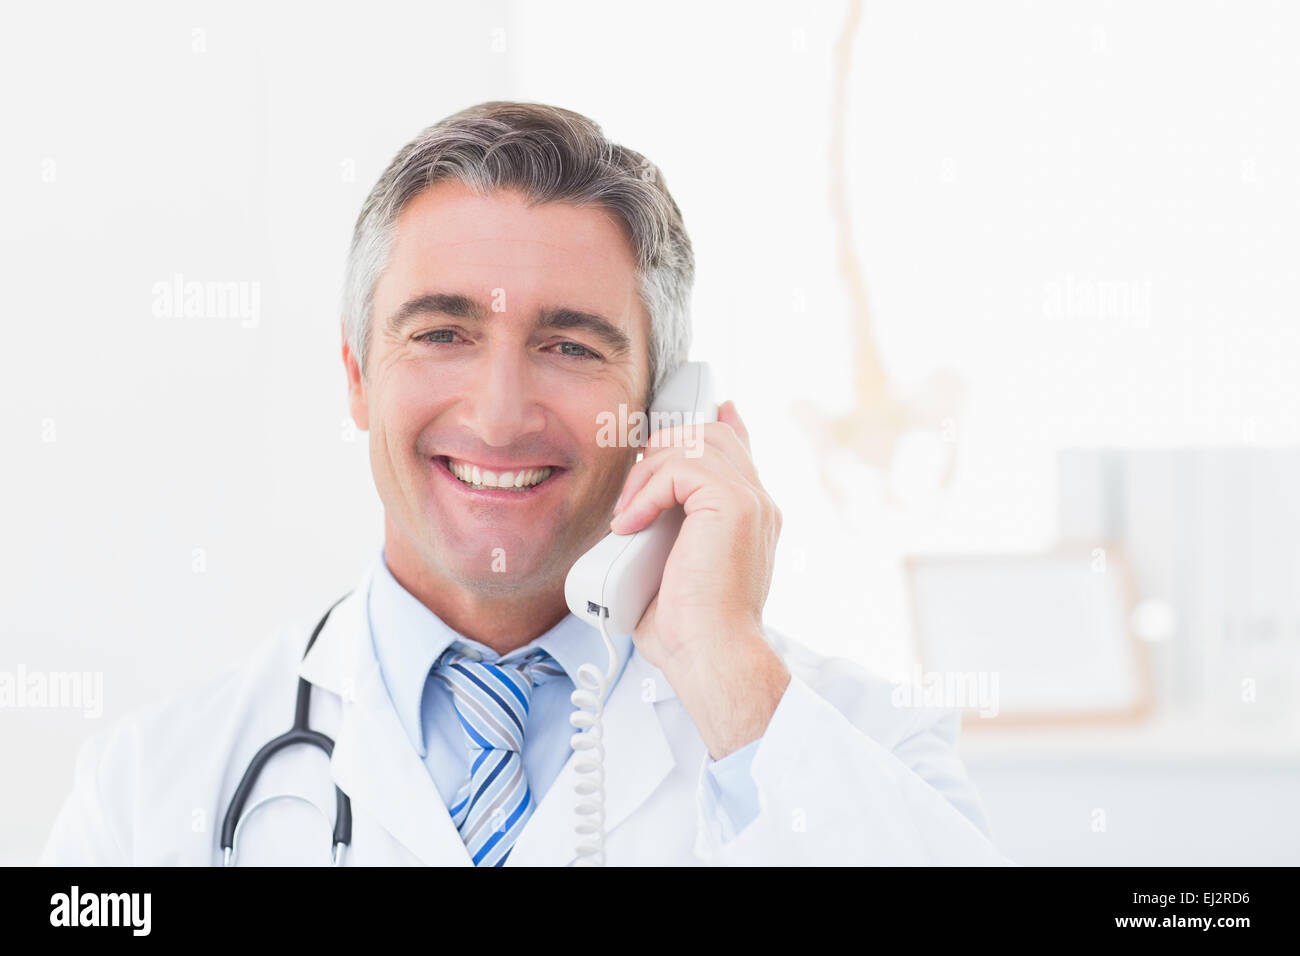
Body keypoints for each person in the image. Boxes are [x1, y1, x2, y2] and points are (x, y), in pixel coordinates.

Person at [39, 101, 1010, 866]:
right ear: (356, 378)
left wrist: (727, 673)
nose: (500, 412)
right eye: (441, 333)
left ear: (665, 407)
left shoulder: (858, 746)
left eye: (568, 344)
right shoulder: (149, 790)